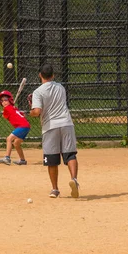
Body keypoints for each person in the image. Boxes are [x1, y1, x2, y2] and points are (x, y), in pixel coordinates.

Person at [29, 63, 80, 198]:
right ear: (53, 75)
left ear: (40, 75)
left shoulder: (38, 92)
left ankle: (55, 189)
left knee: (52, 159)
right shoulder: (61, 87)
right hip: (66, 123)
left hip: (50, 126)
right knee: (70, 155)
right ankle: (74, 179)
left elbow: (37, 111)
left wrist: (30, 111)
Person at [0, 90, 30, 166]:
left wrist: (5, 113)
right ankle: (22, 160)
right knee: (16, 143)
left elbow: (4, 116)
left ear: (10, 100)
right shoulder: (14, 108)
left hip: (22, 126)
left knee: (9, 139)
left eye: (5, 100)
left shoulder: (8, 108)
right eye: (2, 101)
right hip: (26, 126)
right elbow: (22, 115)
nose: (3, 102)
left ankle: (7, 158)